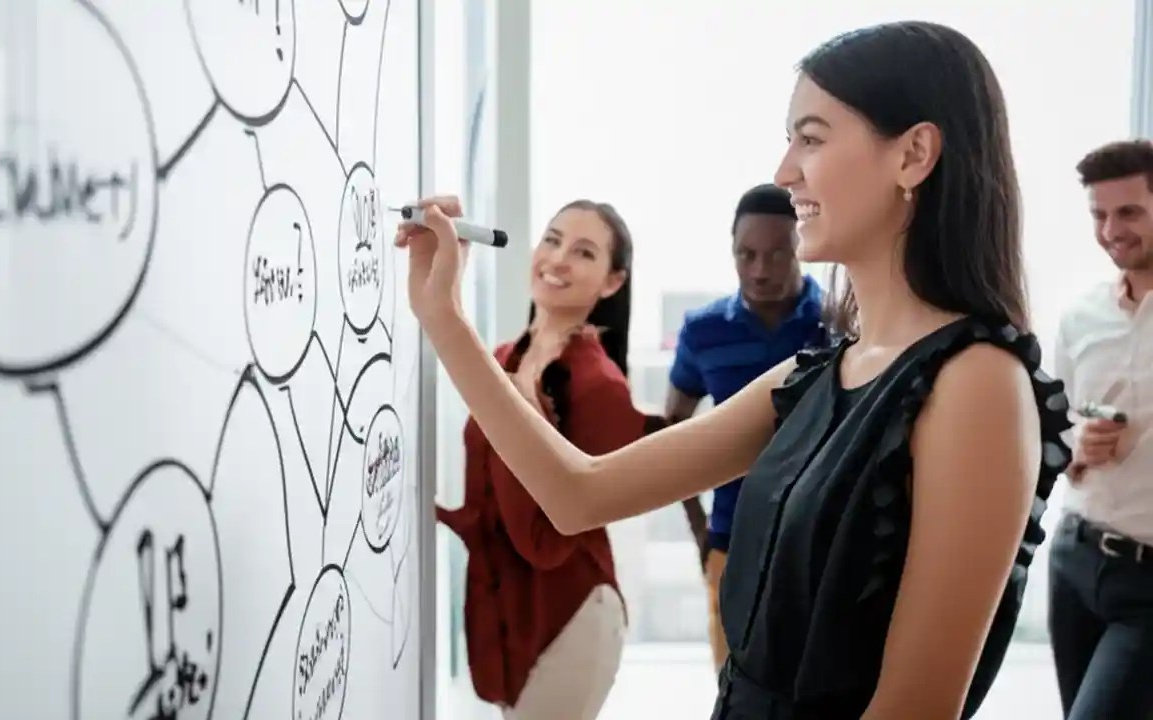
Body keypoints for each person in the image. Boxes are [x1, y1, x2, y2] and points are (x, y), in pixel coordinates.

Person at [400, 19, 1072, 720]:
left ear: (913, 155)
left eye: (811, 138)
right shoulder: (813, 377)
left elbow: (914, 709)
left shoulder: (976, 383)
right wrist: (442, 314)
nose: (785, 172)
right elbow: (577, 494)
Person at [434, 199, 649, 720]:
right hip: (512, 614)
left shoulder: (602, 389)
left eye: (583, 252)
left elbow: (545, 541)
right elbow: (488, 505)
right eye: (552, 240)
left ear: (613, 282)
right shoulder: (503, 358)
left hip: (571, 619)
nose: (557, 259)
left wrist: (526, 413)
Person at [664, 182, 828, 672]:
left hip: (821, 540)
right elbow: (672, 433)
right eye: (746, 254)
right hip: (731, 540)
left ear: (801, 247)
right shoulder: (703, 330)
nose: (760, 270)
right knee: (733, 688)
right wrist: (699, 530)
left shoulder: (840, 322)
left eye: (777, 254)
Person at [1048, 139, 1153, 719]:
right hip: (1075, 559)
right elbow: (1054, 428)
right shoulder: (1080, 314)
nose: (1111, 231)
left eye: (1128, 212)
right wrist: (1076, 444)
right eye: (1099, 215)